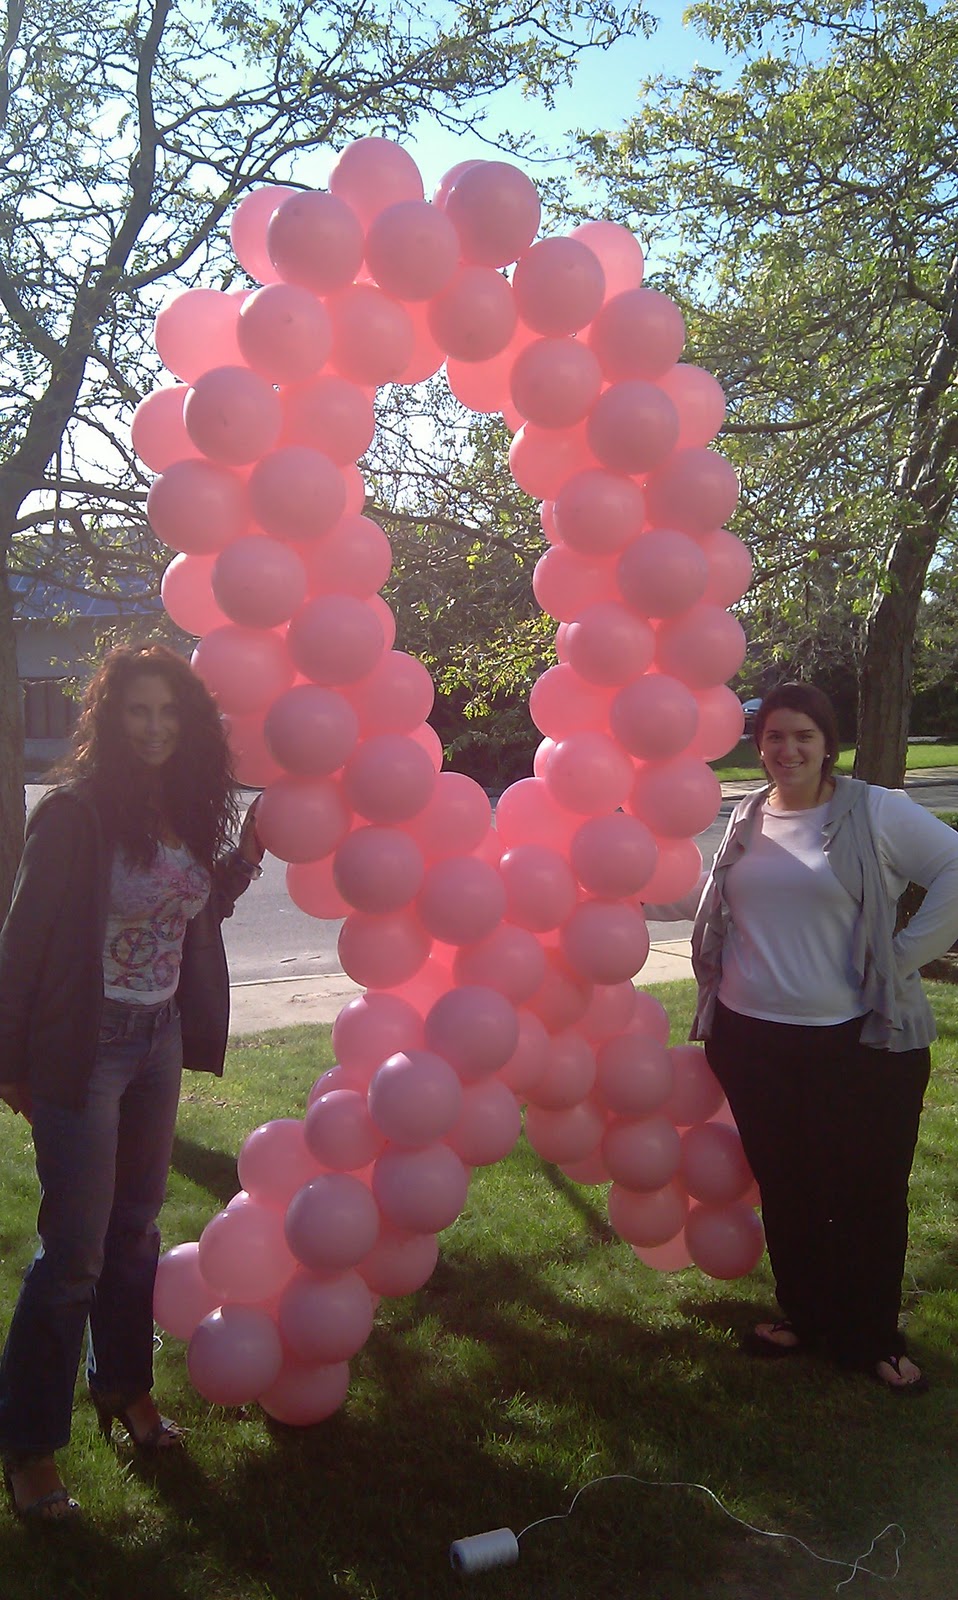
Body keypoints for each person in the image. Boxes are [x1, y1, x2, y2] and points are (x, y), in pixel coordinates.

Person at [0, 643, 264, 1521]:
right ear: (110, 720)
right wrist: (11, 1068)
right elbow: (21, 949)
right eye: (137, 711)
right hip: (85, 1049)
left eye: (169, 712)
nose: (154, 727)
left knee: (137, 1232)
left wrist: (249, 852)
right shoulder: (74, 816)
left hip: (154, 1041)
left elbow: (190, 914)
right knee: (73, 1252)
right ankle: (30, 1445)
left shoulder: (182, 806)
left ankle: (121, 1387)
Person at [649, 681, 958, 1393]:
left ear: (828, 745)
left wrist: (900, 957)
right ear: (758, 747)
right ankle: (807, 1316)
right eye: (774, 738)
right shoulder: (748, 816)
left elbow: (951, 868)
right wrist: (624, 894)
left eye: (803, 737)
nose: (787, 750)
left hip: (860, 1044)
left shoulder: (874, 810)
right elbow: (716, 899)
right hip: (753, 1041)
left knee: (867, 1193)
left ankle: (870, 1334)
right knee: (787, 1188)